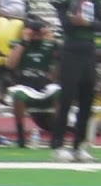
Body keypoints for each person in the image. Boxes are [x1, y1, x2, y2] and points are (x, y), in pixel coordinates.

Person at [50, 0, 101, 162]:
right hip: (71, 50)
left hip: (88, 51)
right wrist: (78, 19)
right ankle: (57, 144)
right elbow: (66, 25)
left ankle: (79, 145)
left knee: (86, 99)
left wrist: (85, 22)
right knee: (66, 99)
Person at [4, 18, 60, 149]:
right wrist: (24, 41)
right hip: (25, 86)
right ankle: (21, 136)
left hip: (43, 86)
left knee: (59, 93)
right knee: (18, 96)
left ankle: (57, 136)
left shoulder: (48, 45)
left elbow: (61, 57)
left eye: (38, 33)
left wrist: (50, 38)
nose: (36, 35)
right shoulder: (20, 45)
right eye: (33, 32)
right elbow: (10, 65)